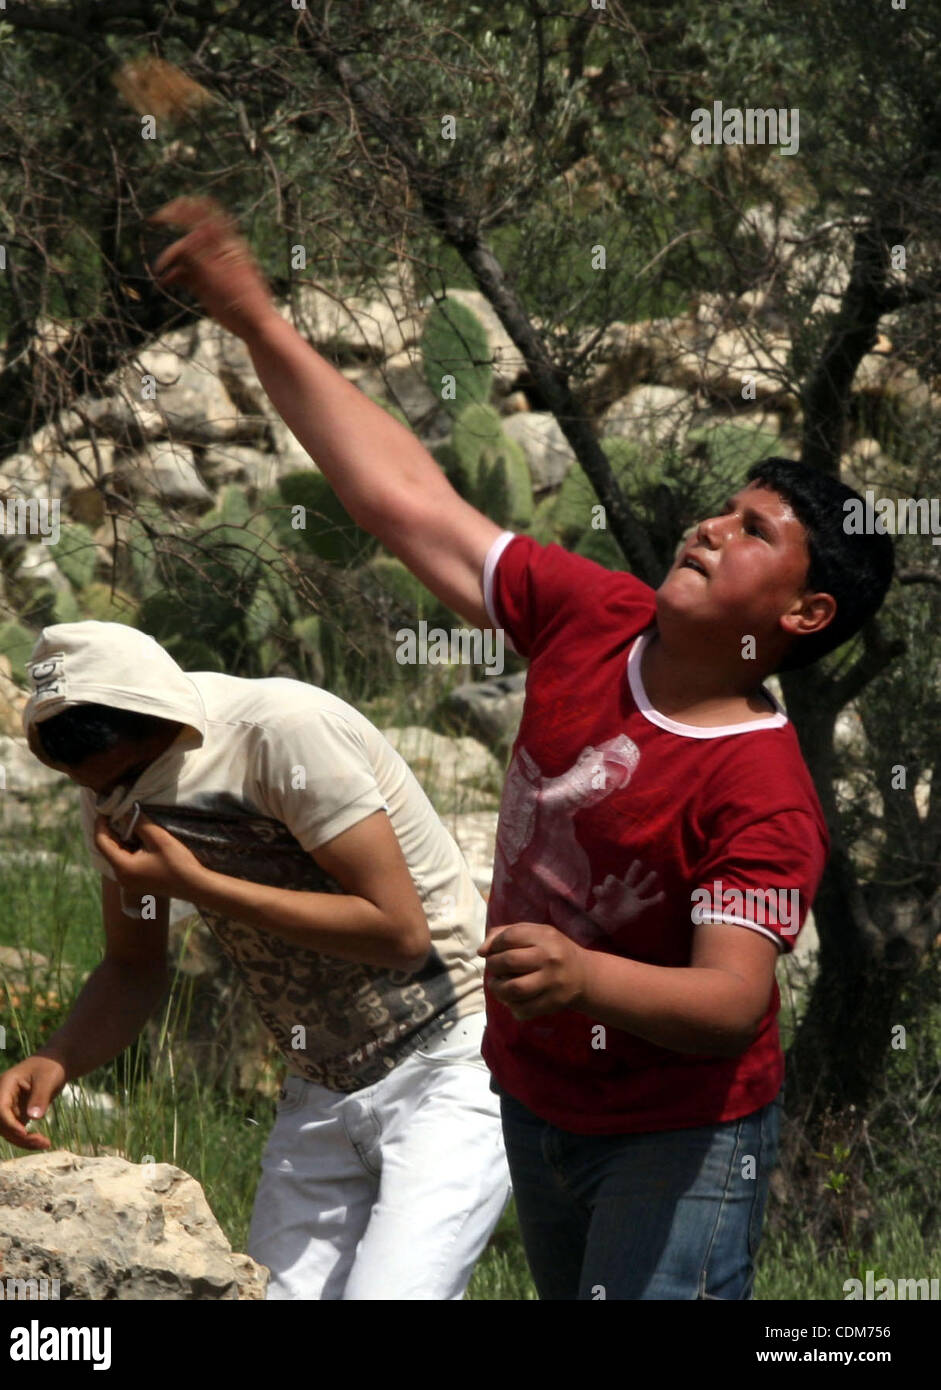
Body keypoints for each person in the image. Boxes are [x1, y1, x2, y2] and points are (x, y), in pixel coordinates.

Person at [144, 198, 894, 1299]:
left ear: (806, 615)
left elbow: (732, 1002)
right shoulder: (595, 617)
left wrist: (584, 975)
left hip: (679, 1144)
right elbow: (408, 502)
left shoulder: (762, 790)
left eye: (755, 534)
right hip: (537, 1097)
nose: (711, 528)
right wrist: (258, 318)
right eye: (725, 510)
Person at [0, 620, 510, 1300]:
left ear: (164, 720)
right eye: (91, 787)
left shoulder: (282, 733)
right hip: (319, 1090)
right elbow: (132, 967)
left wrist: (197, 885)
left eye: (124, 776)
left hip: (450, 1057)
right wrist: (57, 1058)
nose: (112, 799)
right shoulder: (109, 788)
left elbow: (398, 932)